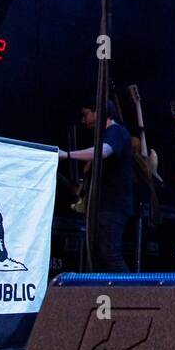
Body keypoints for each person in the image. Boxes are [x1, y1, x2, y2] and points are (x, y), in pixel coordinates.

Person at [59, 100, 134, 273]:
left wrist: (67, 155)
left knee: (109, 253)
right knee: (100, 255)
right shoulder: (108, 134)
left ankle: (132, 296)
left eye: (86, 114)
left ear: (98, 112)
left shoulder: (116, 132)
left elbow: (103, 152)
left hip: (113, 207)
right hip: (103, 207)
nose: (84, 120)